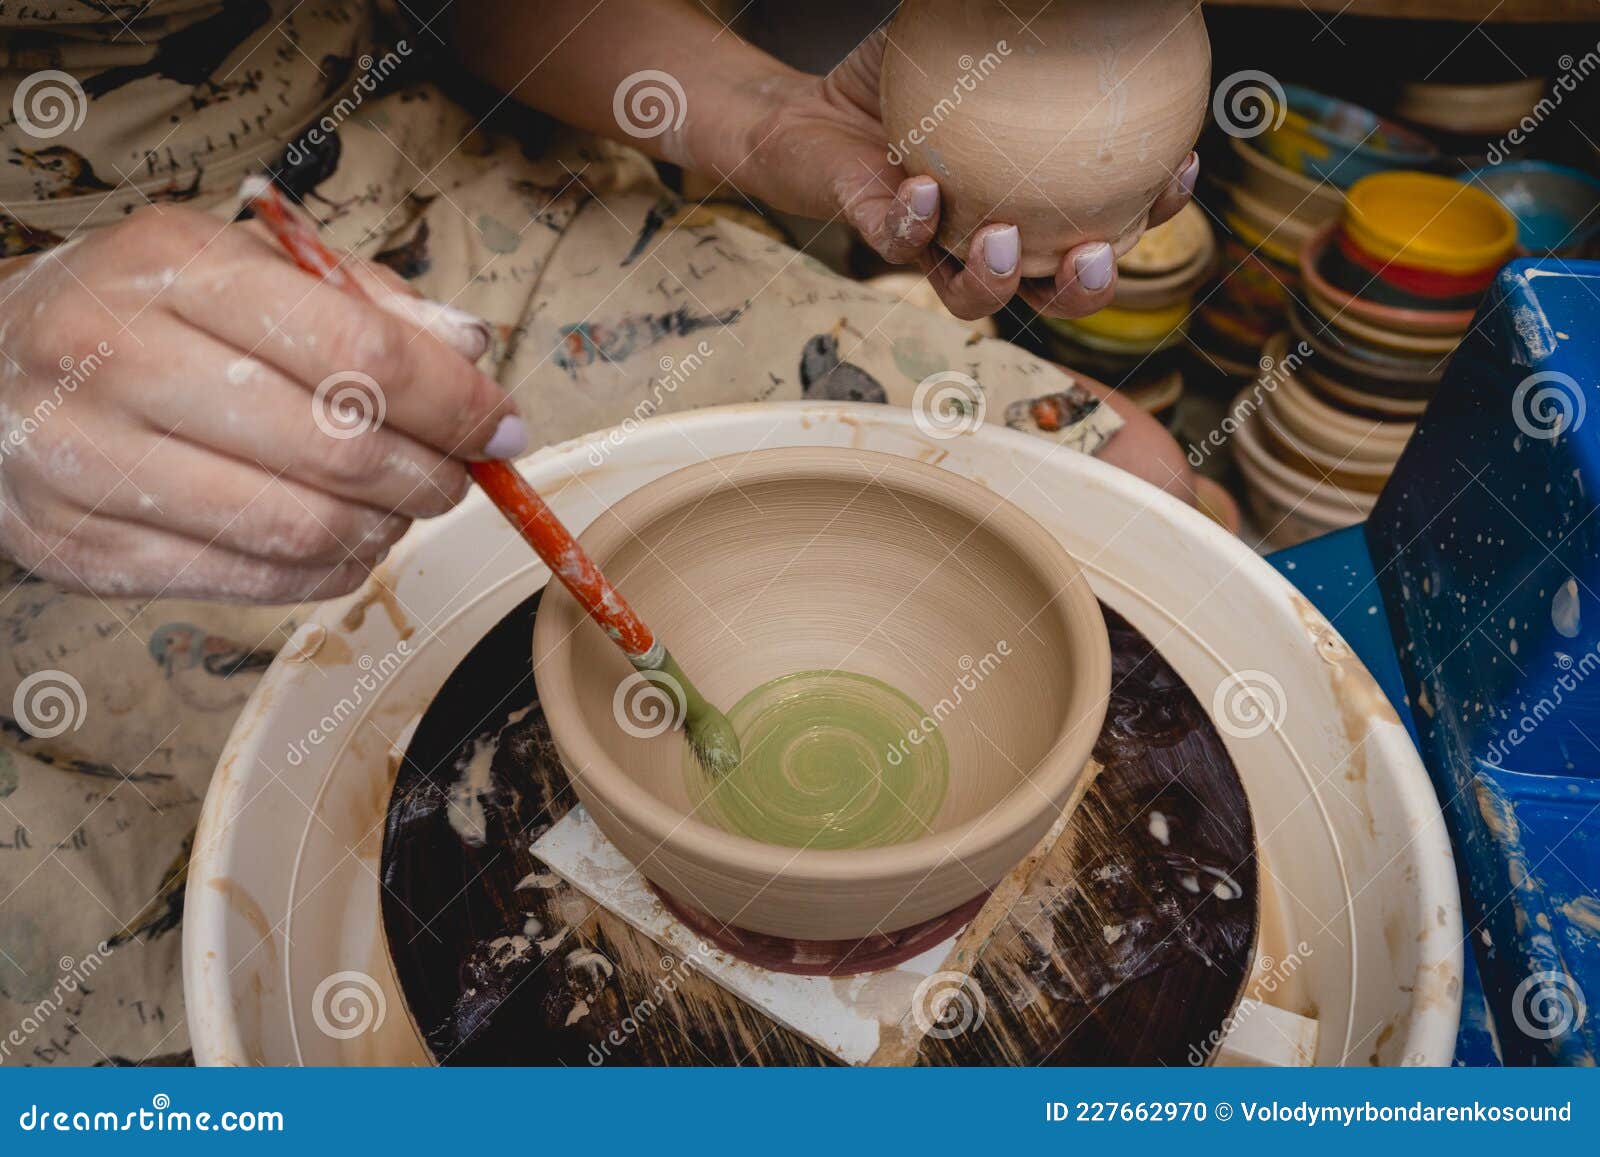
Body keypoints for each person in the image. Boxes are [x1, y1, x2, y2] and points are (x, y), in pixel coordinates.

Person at [0, 0, 1198, 1064]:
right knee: (214, 999)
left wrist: (768, 119)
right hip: (68, 360)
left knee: (1129, 483)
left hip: (412, 180)